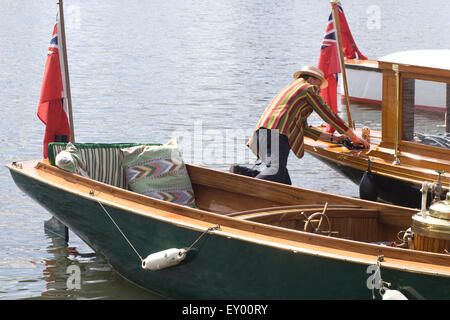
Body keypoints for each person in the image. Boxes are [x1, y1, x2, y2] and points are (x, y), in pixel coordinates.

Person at [232, 65, 369, 184]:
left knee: (282, 181)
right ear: (311, 79)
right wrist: (354, 137)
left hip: (261, 135)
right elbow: (328, 115)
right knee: (276, 173)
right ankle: (245, 186)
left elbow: (304, 129)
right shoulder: (308, 89)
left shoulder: (291, 89)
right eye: (318, 86)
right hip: (276, 135)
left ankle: (240, 172)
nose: (319, 90)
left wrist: (336, 139)